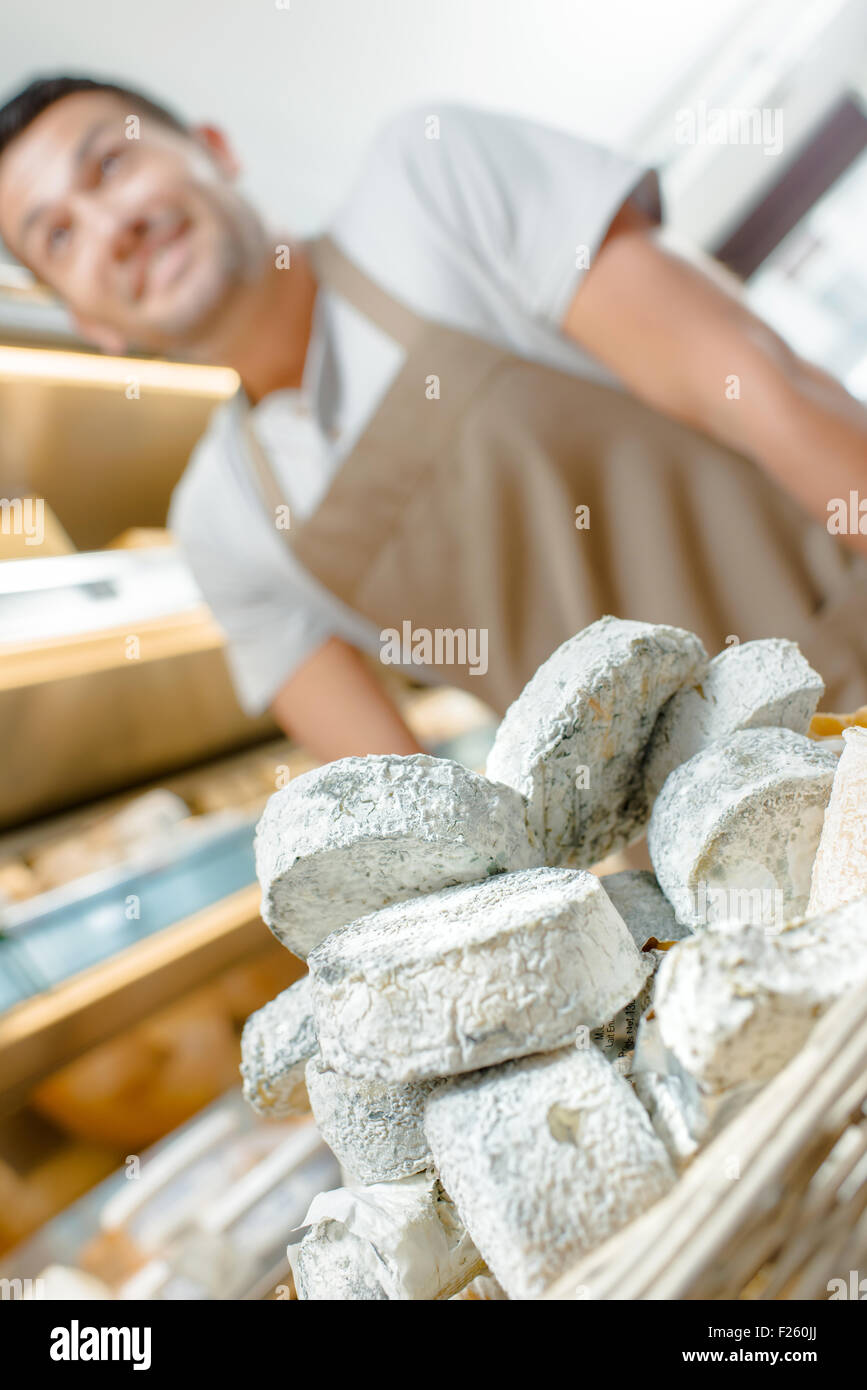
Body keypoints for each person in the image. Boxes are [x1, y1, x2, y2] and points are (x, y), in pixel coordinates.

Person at [1, 75, 865, 761]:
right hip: (701, 869)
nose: (110, 226)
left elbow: (762, 389)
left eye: (110, 165)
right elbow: (396, 813)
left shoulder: (427, 185)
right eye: (59, 236)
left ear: (216, 149)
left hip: (848, 680)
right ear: (92, 325)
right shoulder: (222, 524)